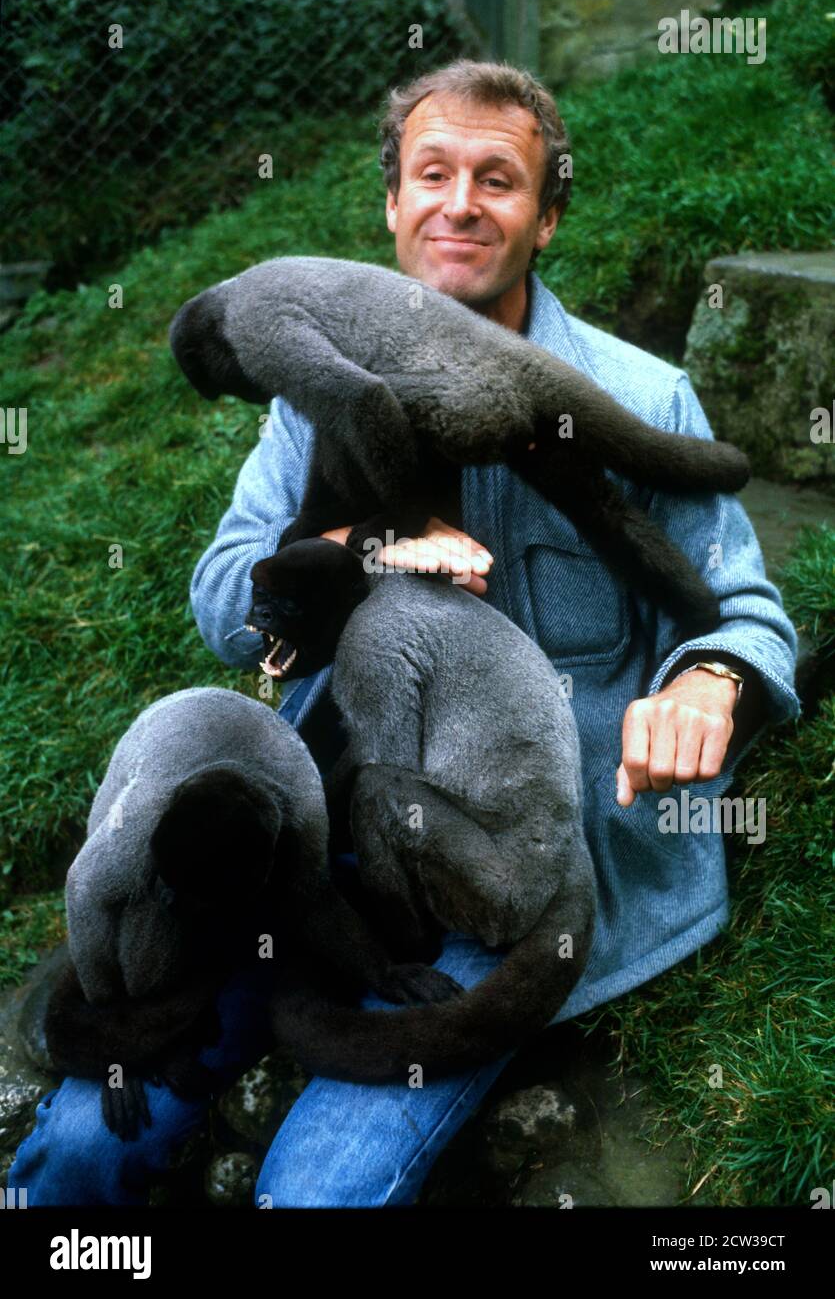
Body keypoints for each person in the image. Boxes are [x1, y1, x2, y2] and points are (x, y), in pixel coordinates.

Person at [8, 58, 800, 1208]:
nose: (460, 202)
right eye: (431, 173)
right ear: (390, 204)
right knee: (84, 1153)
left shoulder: (638, 393)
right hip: (325, 842)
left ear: (548, 214)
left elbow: (741, 603)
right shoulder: (311, 383)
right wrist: (356, 557)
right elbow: (225, 595)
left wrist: (710, 682)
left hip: (510, 862)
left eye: (499, 178)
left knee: (319, 1193)